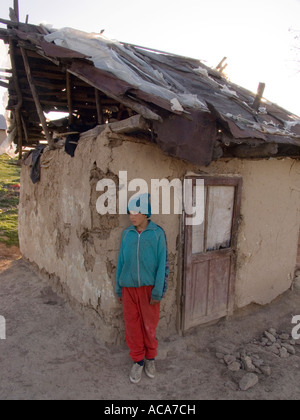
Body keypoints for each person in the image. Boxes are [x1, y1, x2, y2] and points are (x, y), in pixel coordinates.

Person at [116, 193, 169, 384]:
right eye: (130, 212)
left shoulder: (157, 234)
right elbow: (121, 261)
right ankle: (138, 361)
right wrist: (118, 288)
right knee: (132, 325)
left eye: (136, 212)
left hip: (149, 290)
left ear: (146, 213)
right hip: (129, 289)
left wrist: (158, 291)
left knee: (149, 326)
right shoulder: (127, 234)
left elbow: (163, 264)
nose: (132, 216)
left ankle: (150, 359)